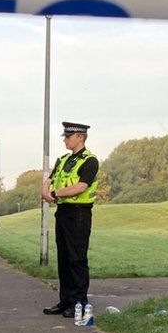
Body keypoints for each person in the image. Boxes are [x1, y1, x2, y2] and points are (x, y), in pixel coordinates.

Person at [41, 122, 99, 318]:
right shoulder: (64, 159)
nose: (65, 139)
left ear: (80, 137)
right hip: (63, 212)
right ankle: (65, 300)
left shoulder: (90, 161)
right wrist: (45, 191)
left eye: (68, 136)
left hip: (79, 214)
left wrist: (54, 194)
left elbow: (81, 187)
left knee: (77, 259)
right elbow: (49, 179)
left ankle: (78, 303)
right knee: (64, 259)